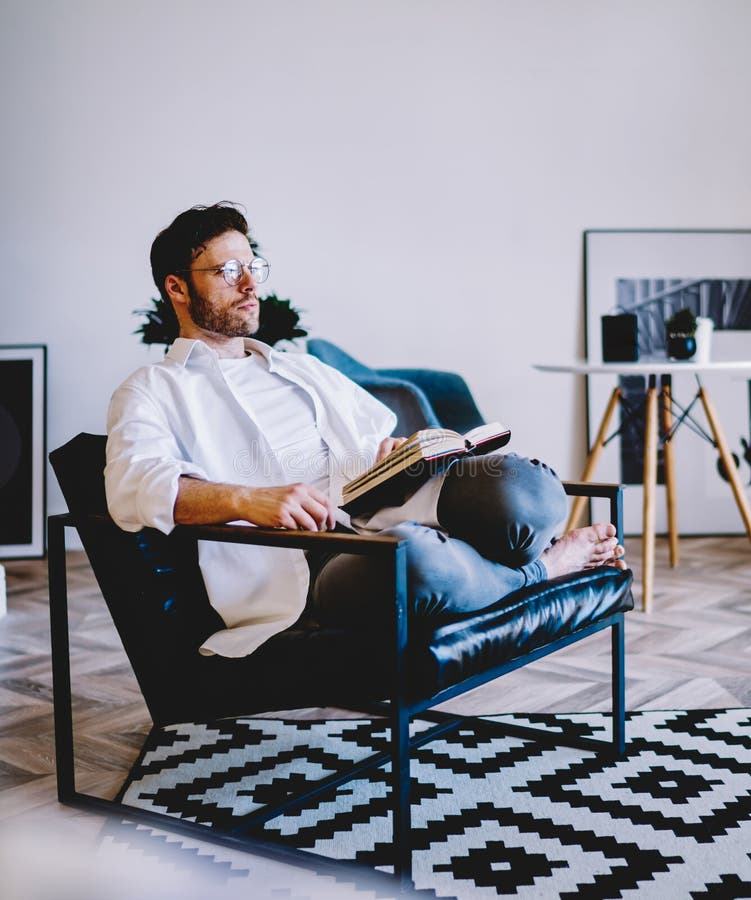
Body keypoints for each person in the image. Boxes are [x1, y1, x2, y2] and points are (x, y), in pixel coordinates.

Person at [105, 202, 625, 661]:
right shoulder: (152, 389)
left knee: (526, 488)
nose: (251, 284)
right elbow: (133, 486)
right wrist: (248, 499)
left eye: (254, 266)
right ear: (177, 287)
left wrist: (396, 455)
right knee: (410, 558)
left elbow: (377, 435)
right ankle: (541, 570)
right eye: (229, 270)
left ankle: (481, 565)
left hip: (384, 510)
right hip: (306, 570)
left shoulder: (299, 369)